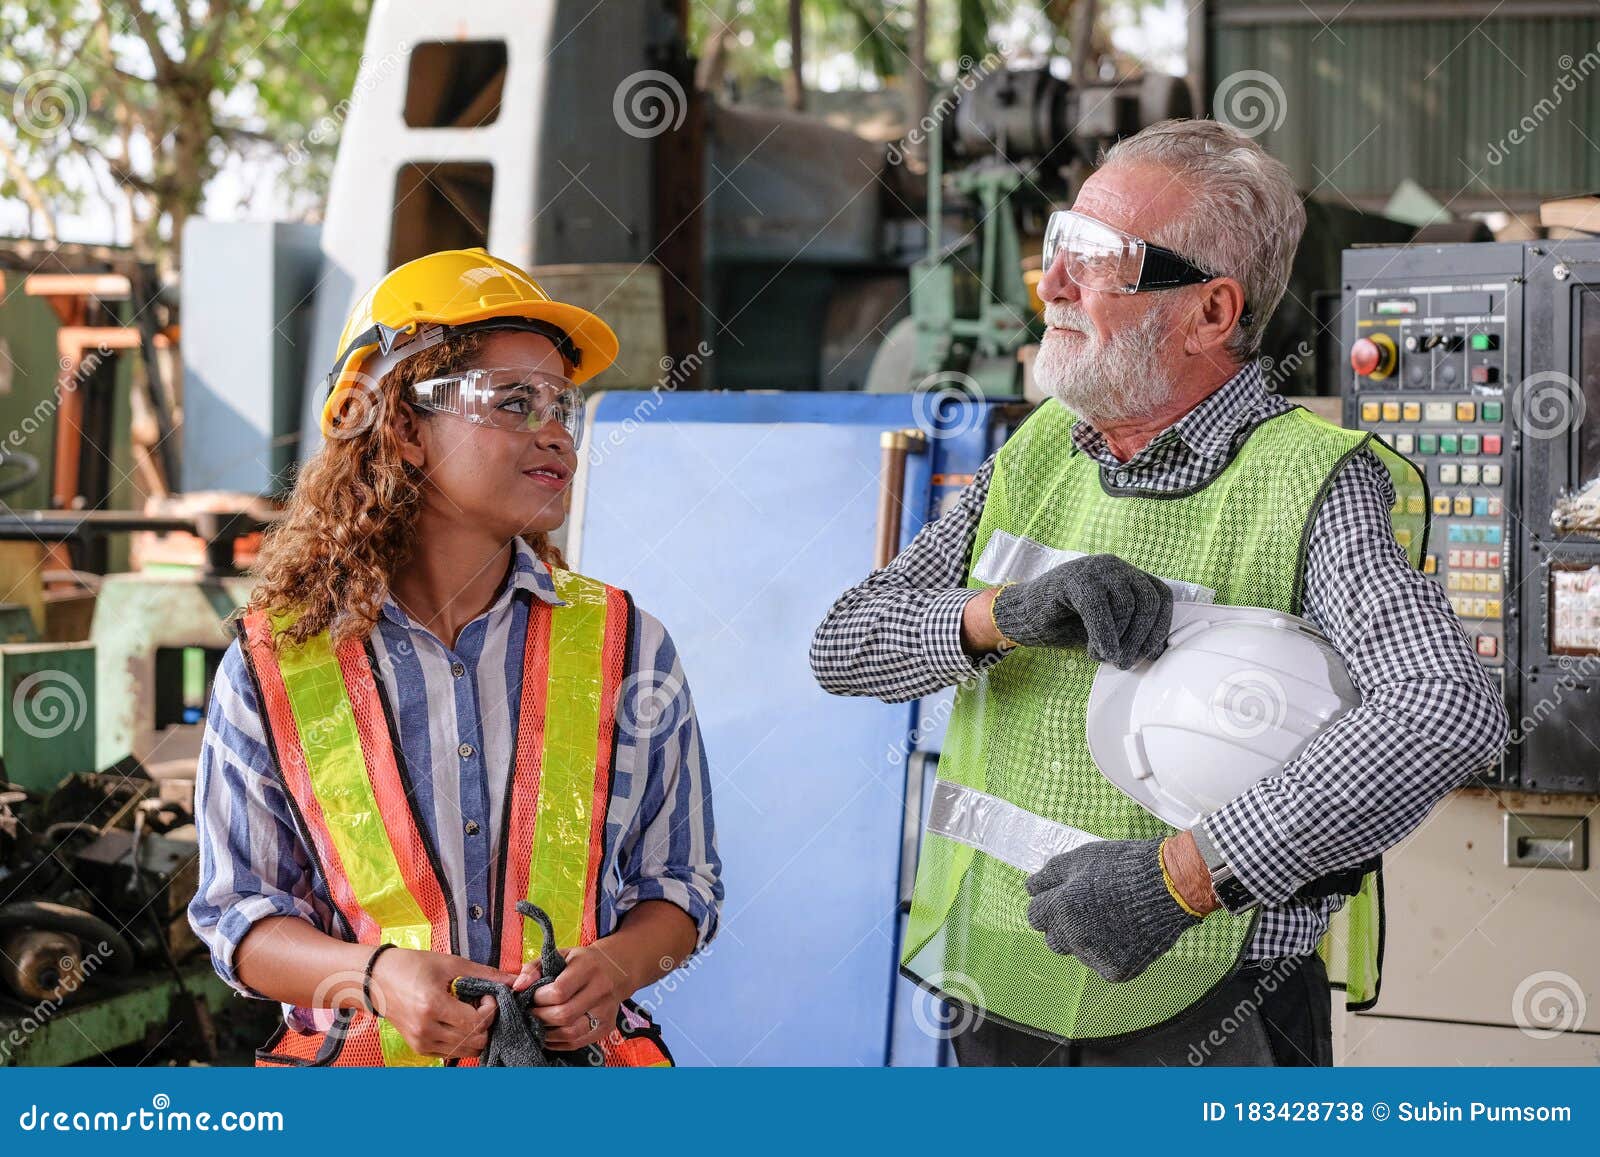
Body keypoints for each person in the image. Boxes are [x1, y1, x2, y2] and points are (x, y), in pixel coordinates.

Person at [810, 120, 1508, 1066]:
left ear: (1212, 313)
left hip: (1205, 1005)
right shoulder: (1037, 451)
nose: (1052, 283)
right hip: (1001, 986)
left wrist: (1182, 880)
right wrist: (996, 616)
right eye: (1061, 243)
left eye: (1098, 259)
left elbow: (1443, 708)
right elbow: (844, 646)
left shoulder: (1311, 480)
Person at [189, 249, 722, 1067]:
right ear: (401, 425)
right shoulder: (273, 666)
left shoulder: (628, 647)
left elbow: (681, 886)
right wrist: (373, 975)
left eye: (561, 406)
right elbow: (239, 916)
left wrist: (614, 967)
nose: (556, 433)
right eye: (515, 402)